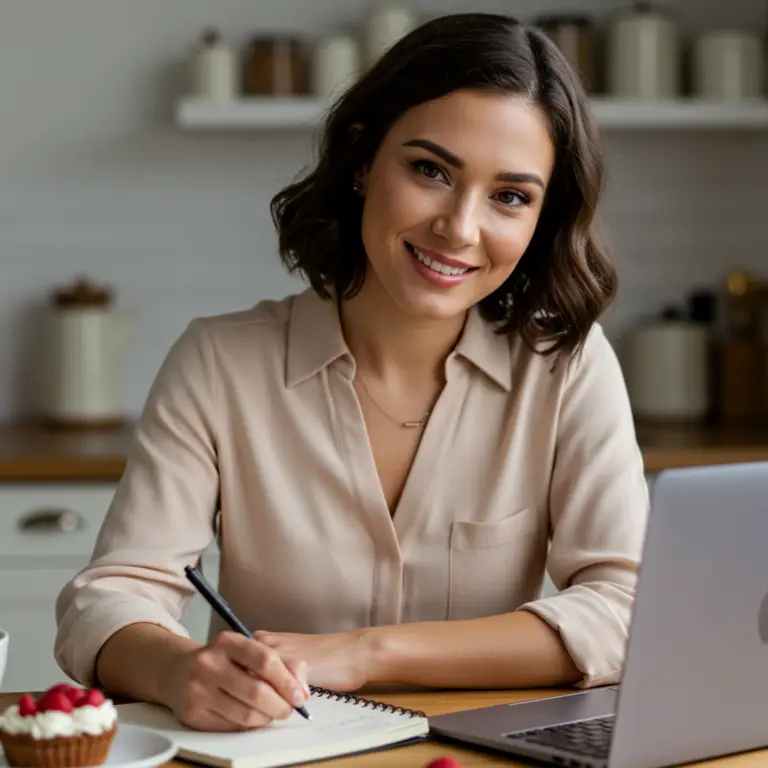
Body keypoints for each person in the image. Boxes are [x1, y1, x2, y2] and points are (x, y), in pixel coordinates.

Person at [54, 12, 649, 733]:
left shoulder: (567, 369)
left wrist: (366, 653)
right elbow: (109, 599)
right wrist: (179, 670)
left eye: (510, 196)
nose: (460, 228)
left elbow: (627, 611)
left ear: (541, 218)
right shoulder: (219, 362)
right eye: (430, 171)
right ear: (364, 161)